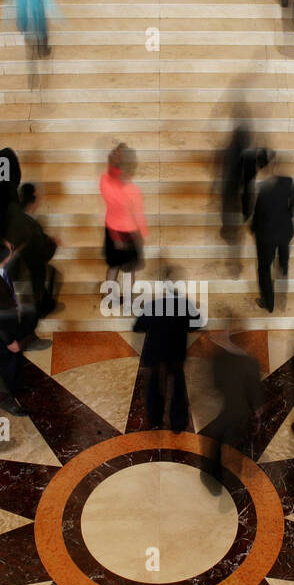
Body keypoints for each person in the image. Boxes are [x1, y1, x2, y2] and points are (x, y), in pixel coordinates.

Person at [133, 271, 197, 433]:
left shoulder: (154, 305)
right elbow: (196, 324)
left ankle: (154, 418)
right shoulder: (185, 305)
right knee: (178, 386)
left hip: (155, 354)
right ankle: (178, 423)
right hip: (175, 353)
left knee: (154, 386)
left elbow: (138, 327)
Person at [202, 323, 263, 489]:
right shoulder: (251, 364)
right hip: (242, 413)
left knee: (217, 440)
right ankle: (235, 479)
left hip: (227, 410)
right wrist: (257, 415)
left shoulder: (219, 359)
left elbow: (216, 384)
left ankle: (211, 475)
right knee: (239, 446)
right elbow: (255, 393)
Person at [0, 242, 39, 415]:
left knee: (15, 360)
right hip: (3, 333)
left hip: (12, 322)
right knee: (4, 366)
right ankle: (6, 401)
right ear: (5, 258)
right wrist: (8, 341)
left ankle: (18, 385)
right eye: (10, 251)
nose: (12, 252)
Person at [250, 151, 294, 312]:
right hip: (285, 231)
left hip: (266, 236)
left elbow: (257, 216)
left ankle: (268, 302)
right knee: (283, 257)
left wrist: (253, 230)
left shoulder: (262, 189)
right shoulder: (287, 181)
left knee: (264, 268)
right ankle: (283, 266)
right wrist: (287, 215)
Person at [6, 182, 60, 321]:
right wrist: (53, 245)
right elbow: (41, 255)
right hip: (24, 270)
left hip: (10, 265)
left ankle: (43, 304)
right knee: (50, 272)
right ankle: (40, 308)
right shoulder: (32, 225)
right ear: (33, 200)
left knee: (49, 272)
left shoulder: (14, 216)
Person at [100, 143, 148, 285]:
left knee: (113, 268)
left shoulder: (105, 180)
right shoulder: (133, 190)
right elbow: (138, 215)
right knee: (129, 271)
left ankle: (109, 301)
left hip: (111, 230)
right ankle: (128, 304)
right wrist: (143, 234)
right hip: (129, 233)